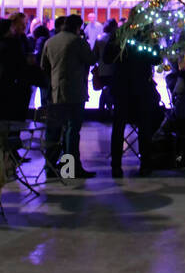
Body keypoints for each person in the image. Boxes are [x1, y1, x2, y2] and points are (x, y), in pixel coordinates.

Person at [41, 14, 95, 178]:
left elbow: (44, 65)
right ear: (78, 27)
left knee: (54, 131)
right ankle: (69, 170)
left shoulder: (50, 41)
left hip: (55, 92)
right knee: (72, 132)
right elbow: (91, 59)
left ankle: (50, 167)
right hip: (74, 92)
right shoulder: (77, 41)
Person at [106, 28, 162, 178]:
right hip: (142, 89)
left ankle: (116, 167)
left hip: (122, 88)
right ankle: (145, 164)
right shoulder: (147, 38)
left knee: (118, 128)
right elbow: (157, 59)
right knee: (144, 127)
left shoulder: (118, 36)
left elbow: (106, 58)